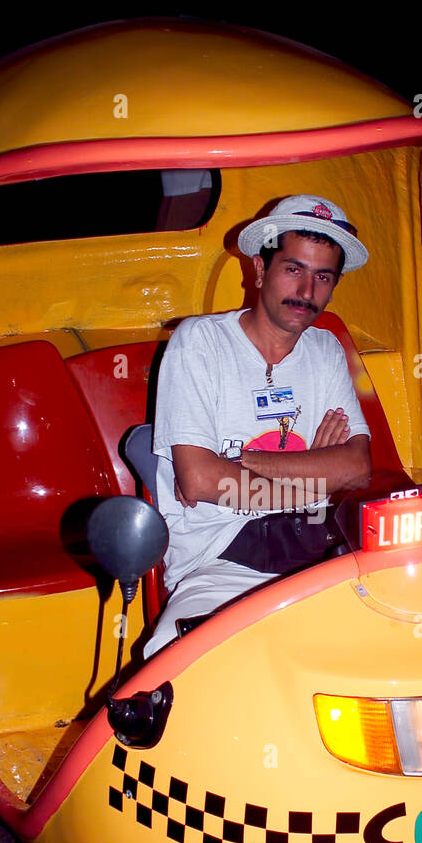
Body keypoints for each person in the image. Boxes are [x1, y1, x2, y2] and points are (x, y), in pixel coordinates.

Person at [144, 194, 372, 657]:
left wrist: (244, 463)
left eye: (322, 276)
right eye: (293, 269)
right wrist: (313, 483)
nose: (307, 292)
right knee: (178, 669)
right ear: (260, 269)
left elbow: (357, 467)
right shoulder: (199, 344)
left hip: (317, 545)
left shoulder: (326, 349)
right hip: (218, 560)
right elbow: (200, 480)